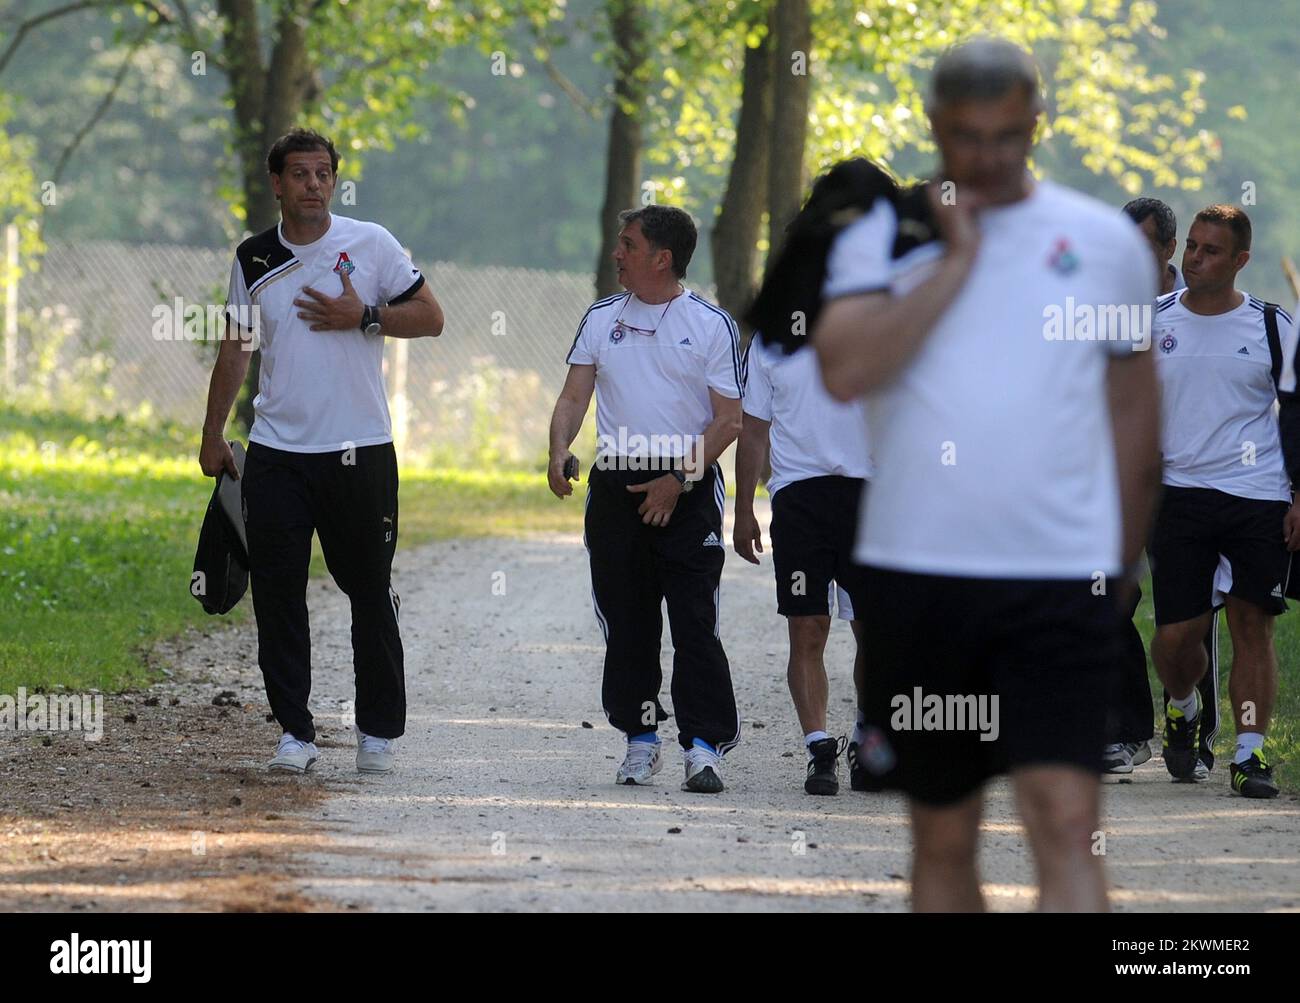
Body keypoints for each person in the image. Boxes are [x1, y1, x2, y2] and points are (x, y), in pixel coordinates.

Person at [814, 37, 1160, 911]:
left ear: (1036, 121)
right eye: (969, 137)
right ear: (935, 124)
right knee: (942, 832)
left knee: (1064, 814)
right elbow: (846, 368)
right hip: (920, 572)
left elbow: (1131, 408)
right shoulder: (878, 235)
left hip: (1057, 575)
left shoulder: (1102, 241)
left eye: (1009, 135)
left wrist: (1119, 558)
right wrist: (957, 261)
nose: (990, 156)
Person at [199, 128, 444, 774]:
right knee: (278, 593)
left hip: (359, 449)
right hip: (276, 451)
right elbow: (234, 348)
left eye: (323, 174)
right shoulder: (253, 257)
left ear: (334, 181)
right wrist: (211, 432)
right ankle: (295, 733)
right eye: (300, 174)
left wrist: (364, 315)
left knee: (368, 587)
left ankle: (377, 730)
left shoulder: (372, 245)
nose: (313, 184)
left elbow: (431, 316)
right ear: (276, 183)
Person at [547, 205, 744, 794]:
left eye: (627, 244)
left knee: (693, 620)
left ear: (661, 257)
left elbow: (729, 420)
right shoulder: (602, 316)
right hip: (616, 485)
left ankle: (703, 747)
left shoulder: (710, 323)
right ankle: (640, 740)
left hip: (687, 485)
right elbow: (572, 397)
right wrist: (558, 449)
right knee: (627, 622)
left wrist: (677, 480)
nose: (616, 253)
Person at [1148, 204, 1298, 799]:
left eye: (1211, 251)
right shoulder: (1151, 321)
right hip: (1178, 498)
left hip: (1256, 494)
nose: (1196, 259)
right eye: (1191, 247)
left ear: (1240, 261)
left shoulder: (1270, 324)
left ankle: (1249, 753)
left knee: (1252, 625)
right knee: (1175, 639)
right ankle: (1183, 706)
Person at [734, 334, 872, 795]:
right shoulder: (771, 342)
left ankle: (865, 740)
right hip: (798, 495)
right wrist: (742, 511)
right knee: (807, 627)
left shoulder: (872, 319)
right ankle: (819, 750)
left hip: (867, 492)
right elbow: (753, 430)